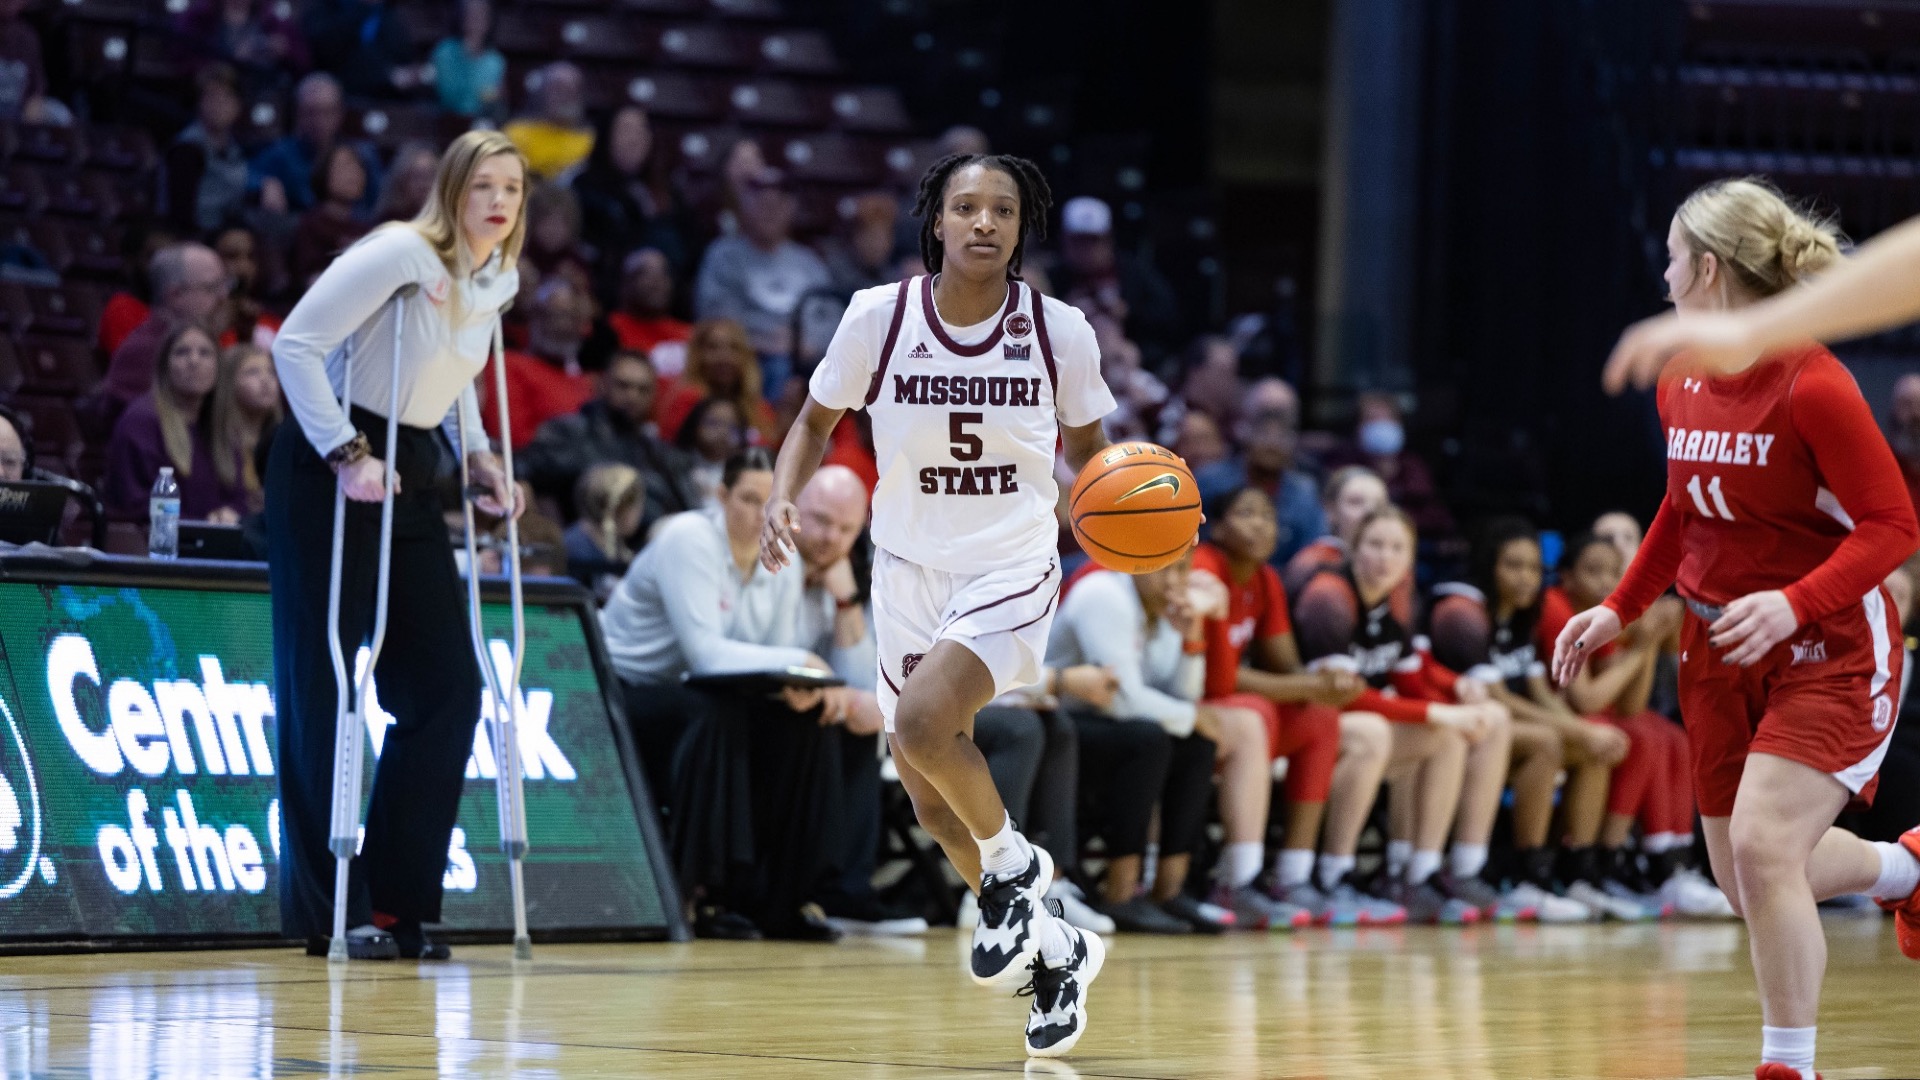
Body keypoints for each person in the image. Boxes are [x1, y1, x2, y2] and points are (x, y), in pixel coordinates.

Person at [1560, 177, 1920, 1080]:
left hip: (1828, 645)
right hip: (1718, 644)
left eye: (1674, 259)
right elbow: (1683, 509)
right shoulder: (1682, 373)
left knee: (1765, 851)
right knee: (1745, 880)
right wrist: (1619, 606)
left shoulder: (1814, 383)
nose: (1666, 275)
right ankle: (1907, 874)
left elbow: (1895, 528)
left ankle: (1789, 1066)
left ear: (1708, 269)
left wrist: (1796, 603)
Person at [760, 152, 1116, 1058]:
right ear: (939, 220)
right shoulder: (877, 318)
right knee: (927, 799)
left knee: (922, 725)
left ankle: (1016, 867)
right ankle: (1055, 948)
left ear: (1020, 227)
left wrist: (1131, 519)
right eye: (968, 207)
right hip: (907, 569)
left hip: (1010, 563)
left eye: (1002, 209)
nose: (985, 223)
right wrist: (780, 495)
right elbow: (813, 422)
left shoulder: (1061, 332)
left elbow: (1094, 457)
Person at [266, 129, 527, 962]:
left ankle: (396, 902)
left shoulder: (496, 279)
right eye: (483, 185)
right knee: (330, 682)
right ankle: (327, 906)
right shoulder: (398, 254)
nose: (498, 202)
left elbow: (458, 377)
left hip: (412, 459)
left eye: (513, 191)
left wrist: (480, 453)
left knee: (448, 686)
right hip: (331, 457)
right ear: (451, 190)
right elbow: (294, 346)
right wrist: (345, 453)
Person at [599, 449, 845, 941]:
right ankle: (703, 896)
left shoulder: (783, 553)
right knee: (716, 716)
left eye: (770, 501)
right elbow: (706, 655)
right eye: (748, 499)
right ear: (721, 496)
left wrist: (797, 686)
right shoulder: (687, 539)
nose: (760, 513)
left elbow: (770, 657)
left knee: (804, 725)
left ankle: (781, 901)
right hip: (623, 690)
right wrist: (798, 662)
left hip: (704, 693)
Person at [1293, 507, 1528, 924]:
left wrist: (1456, 693)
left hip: (1349, 725)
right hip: (1307, 723)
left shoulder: (1388, 606)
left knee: (1448, 733)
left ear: (1409, 560)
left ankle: (1417, 872)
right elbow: (1340, 697)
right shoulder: (1329, 596)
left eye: (1397, 548)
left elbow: (1412, 681)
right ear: (1354, 549)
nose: (1385, 557)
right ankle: (1333, 875)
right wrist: (1436, 711)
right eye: (1375, 545)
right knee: (1380, 731)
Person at [1191, 486, 1407, 927]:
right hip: (1194, 709)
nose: (1261, 525)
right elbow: (1219, 680)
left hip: (1237, 715)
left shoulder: (1266, 579)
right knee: (1260, 712)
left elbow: (1284, 662)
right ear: (1219, 526)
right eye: (1247, 514)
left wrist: (1320, 685)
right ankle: (1236, 879)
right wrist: (1304, 688)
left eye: (1268, 517)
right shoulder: (1205, 570)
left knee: (1321, 718)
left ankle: (1294, 875)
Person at [1427, 522, 1637, 923]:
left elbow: (1538, 690)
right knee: (1548, 743)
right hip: (1461, 723)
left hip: (1503, 725)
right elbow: (1498, 696)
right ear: (1490, 566)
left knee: (1594, 750)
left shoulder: (1523, 616)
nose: (1526, 577)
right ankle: (1527, 876)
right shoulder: (1464, 613)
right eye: (1513, 566)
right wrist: (1577, 728)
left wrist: (1587, 733)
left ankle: (1578, 872)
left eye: (1533, 568)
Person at [1047, 553, 1259, 935]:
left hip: (1109, 726)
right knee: (1151, 738)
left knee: (1195, 743)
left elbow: (1180, 694)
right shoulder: (1103, 595)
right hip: (1054, 723)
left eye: (1182, 569)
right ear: (1134, 565)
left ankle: (1168, 890)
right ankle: (1121, 892)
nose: (1174, 581)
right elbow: (1123, 698)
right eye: (1164, 568)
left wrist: (1192, 634)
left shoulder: (1162, 607)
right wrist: (1192, 716)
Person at [1541, 531, 1712, 920]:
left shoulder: (1603, 610)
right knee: (1638, 737)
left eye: (1612, 572)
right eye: (1592, 571)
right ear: (1565, 576)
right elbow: (1584, 698)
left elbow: (1631, 703)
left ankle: (1668, 862)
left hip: (1581, 715)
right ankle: (1602, 864)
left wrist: (1648, 642)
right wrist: (1641, 646)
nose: (1605, 581)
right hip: (1561, 718)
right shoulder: (1558, 608)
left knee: (1669, 736)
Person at [517, 349, 700, 529]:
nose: (633, 396)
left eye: (643, 390)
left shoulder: (658, 451)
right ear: (603, 384)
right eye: (623, 385)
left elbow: (689, 509)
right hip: (582, 543)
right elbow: (525, 470)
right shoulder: (569, 432)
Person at [692, 165, 831, 398]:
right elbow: (713, 314)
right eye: (763, 205)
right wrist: (765, 341)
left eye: (778, 206)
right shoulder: (724, 256)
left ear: (791, 209)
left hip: (804, 357)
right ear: (746, 208)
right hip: (749, 356)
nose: (770, 213)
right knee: (778, 367)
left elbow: (831, 317)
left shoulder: (809, 263)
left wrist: (803, 343)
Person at [103, 324, 252, 526]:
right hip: (154, 546)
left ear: (218, 367)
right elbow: (135, 505)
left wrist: (231, 514)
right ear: (165, 367)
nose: (194, 360)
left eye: (205, 353)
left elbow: (238, 499)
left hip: (216, 544)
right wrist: (202, 525)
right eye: (182, 352)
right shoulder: (140, 423)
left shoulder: (222, 427)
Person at [90, 243, 231, 435]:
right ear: (176, 295)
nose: (224, 297)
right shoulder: (144, 351)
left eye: (225, 285)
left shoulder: (199, 341)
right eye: (212, 288)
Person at [1195, 378, 1327, 567]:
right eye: (1263, 431)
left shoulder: (1304, 491)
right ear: (1244, 430)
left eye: (1281, 434)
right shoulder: (1211, 481)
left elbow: (1314, 547)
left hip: (1283, 583)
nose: (1272, 443)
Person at [1051, 196, 1183, 364]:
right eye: (1078, 241)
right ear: (1064, 239)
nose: (1086, 250)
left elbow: (1169, 316)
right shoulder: (1049, 276)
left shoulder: (1133, 272)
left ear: (1109, 239)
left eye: (1093, 241)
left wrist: (1128, 312)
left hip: (1131, 362)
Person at [574, 107, 688, 294]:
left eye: (642, 131)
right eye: (626, 130)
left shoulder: (667, 191)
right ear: (607, 136)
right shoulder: (584, 187)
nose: (635, 139)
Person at [1323, 392, 1455, 541]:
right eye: (1372, 420)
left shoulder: (1413, 467)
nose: (1381, 426)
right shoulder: (1343, 466)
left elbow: (1437, 517)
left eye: (1388, 420)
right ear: (1358, 428)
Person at [484, 278, 598, 449]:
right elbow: (511, 437)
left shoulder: (589, 382)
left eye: (570, 317)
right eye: (553, 315)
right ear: (533, 317)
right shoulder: (507, 365)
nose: (562, 326)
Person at [249, 73, 381, 218]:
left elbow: (377, 203)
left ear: (339, 113)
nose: (319, 121)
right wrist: (265, 183)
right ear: (298, 114)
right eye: (311, 113)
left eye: (326, 112)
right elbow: (246, 176)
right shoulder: (281, 154)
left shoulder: (362, 155)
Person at [656, 318, 780, 447]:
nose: (724, 357)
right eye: (713, 347)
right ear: (697, 355)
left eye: (734, 348)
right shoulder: (686, 401)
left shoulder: (760, 409)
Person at [159, 63, 250, 235]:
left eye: (226, 97)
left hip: (224, 236)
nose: (219, 105)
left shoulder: (235, 150)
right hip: (192, 240)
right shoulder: (187, 148)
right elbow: (180, 217)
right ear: (199, 103)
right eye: (211, 97)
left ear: (238, 106)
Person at [209, 343, 282, 514]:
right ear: (228, 382)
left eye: (271, 372)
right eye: (252, 372)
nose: (265, 380)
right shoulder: (213, 441)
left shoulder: (281, 440)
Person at [303, 0, 423, 100]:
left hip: (387, 98)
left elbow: (404, 58)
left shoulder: (389, 16)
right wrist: (387, 76)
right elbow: (327, 53)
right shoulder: (326, 10)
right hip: (342, 93)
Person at [291, 144, 372, 286]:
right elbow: (311, 280)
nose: (354, 174)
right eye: (344, 167)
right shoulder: (311, 226)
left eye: (358, 167)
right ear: (324, 172)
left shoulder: (366, 229)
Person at [563, 463, 643, 599]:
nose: (641, 512)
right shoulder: (575, 548)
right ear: (622, 509)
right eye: (638, 505)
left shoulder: (616, 545)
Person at [504, 62, 594, 180]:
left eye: (571, 90)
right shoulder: (515, 134)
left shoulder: (590, 141)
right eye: (558, 89)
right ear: (543, 93)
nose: (564, 97)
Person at [605, 248, 692, 368]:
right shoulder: (608, 331)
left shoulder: (689, 335)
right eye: (646, 274)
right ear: (627, 283)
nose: (656, 282)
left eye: (663, 274)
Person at [430, 0, 505, 119]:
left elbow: (494, 102)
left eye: (480, 15)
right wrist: (465, 59)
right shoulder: (444, 51)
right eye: (470, 14)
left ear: (489, 21)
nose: (475, 20)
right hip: (444, 121)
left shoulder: (495, 61)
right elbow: (447, 95)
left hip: (479, 125)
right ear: (462, 18)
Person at [823, 192, 903, 298]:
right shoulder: (836, 268)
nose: (878, 245)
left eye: (884, 237)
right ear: (855, 237)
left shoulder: (889, 273)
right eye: (871, 236)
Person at [676, 396, 744, 509]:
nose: (723, 432)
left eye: (732, 427)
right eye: (713, 423)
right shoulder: (674, 465)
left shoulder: (743, 475)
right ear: (695, 424)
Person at [374, 143, 439, 225]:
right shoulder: (388, 223)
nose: (423, 184)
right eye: (416, 177)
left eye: (430, 176)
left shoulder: (445, 221)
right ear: (401, 180)